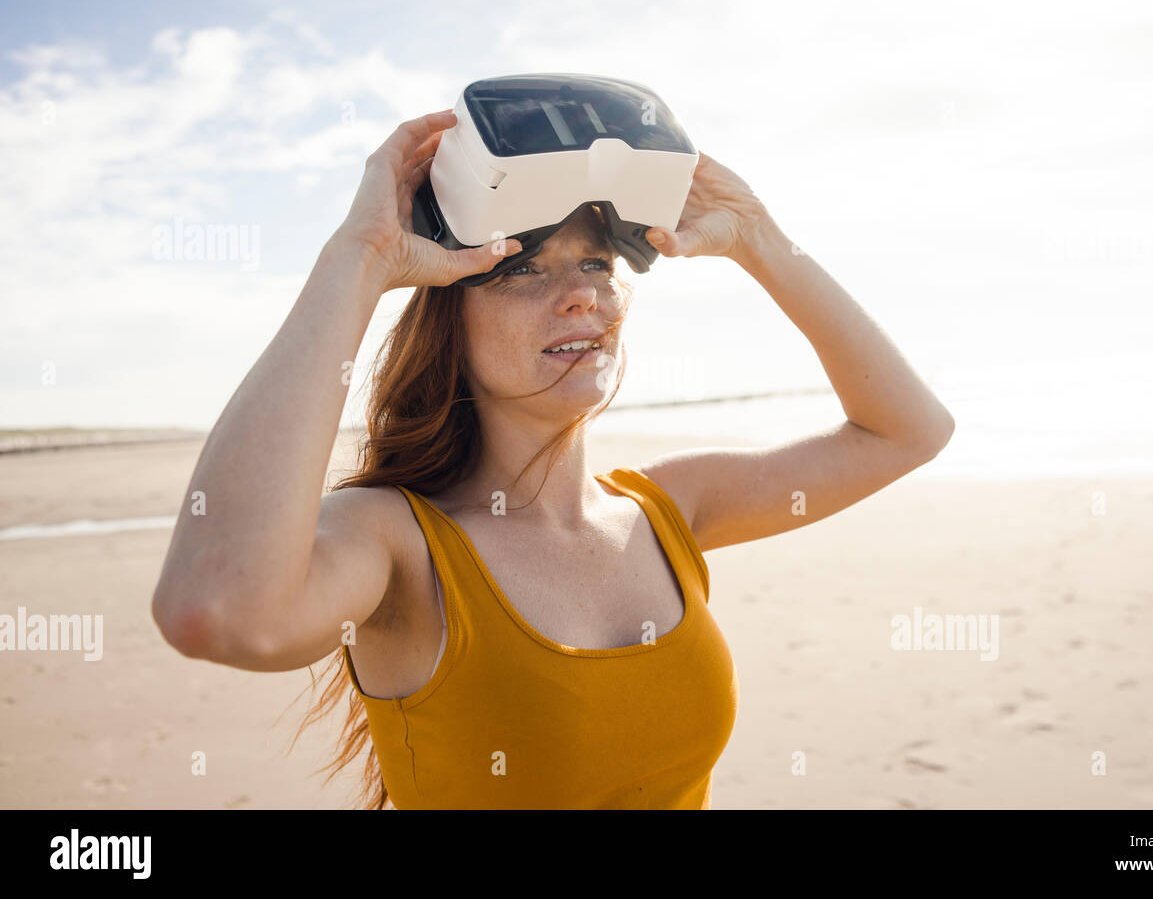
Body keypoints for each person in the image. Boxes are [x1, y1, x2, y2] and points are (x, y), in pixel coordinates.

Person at [151, 109, 956, 809]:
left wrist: (762, 240)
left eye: (596, 263)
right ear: (449, 321)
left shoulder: (669, 507)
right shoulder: (400, 544)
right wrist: (358, 258)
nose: (579, 293)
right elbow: (217, 608)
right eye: (524, 267)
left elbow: (908, 429)